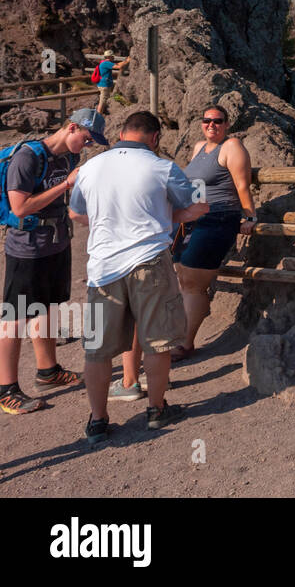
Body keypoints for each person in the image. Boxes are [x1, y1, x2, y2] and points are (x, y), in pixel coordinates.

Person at [69, 111, 209, 444]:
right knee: (157, 342)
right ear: (155, 137)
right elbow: (196, 208)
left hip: (102, 268)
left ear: (121, 133)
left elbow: (75, 212)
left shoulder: (89, 168)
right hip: (150, 262)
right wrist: (162, 216)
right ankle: (156, 410)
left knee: (97, 349)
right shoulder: (163, 167)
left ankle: (98, 420)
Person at [114, 105, 253, 398]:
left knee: (191, 280)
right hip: (192, 220)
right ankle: (181, 339)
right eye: (207, 121)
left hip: (218, 218)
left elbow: (242, 184)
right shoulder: (200, 147)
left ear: (227, 124)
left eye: (217, 121)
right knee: (181, 278)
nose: (211, 125)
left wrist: (249, 215)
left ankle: (185, 343)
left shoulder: (232, 147)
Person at [0, 108, 106, 414]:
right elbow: (20, 208)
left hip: (57, 242)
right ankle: (6, 388)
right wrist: (65, 185)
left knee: (48, 305)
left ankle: (48, 371)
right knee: (15, 316)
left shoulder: (69, 158)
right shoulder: (28, 157)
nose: (87, 147)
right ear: (72, 128)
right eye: (86, 139)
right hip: (27, 247)